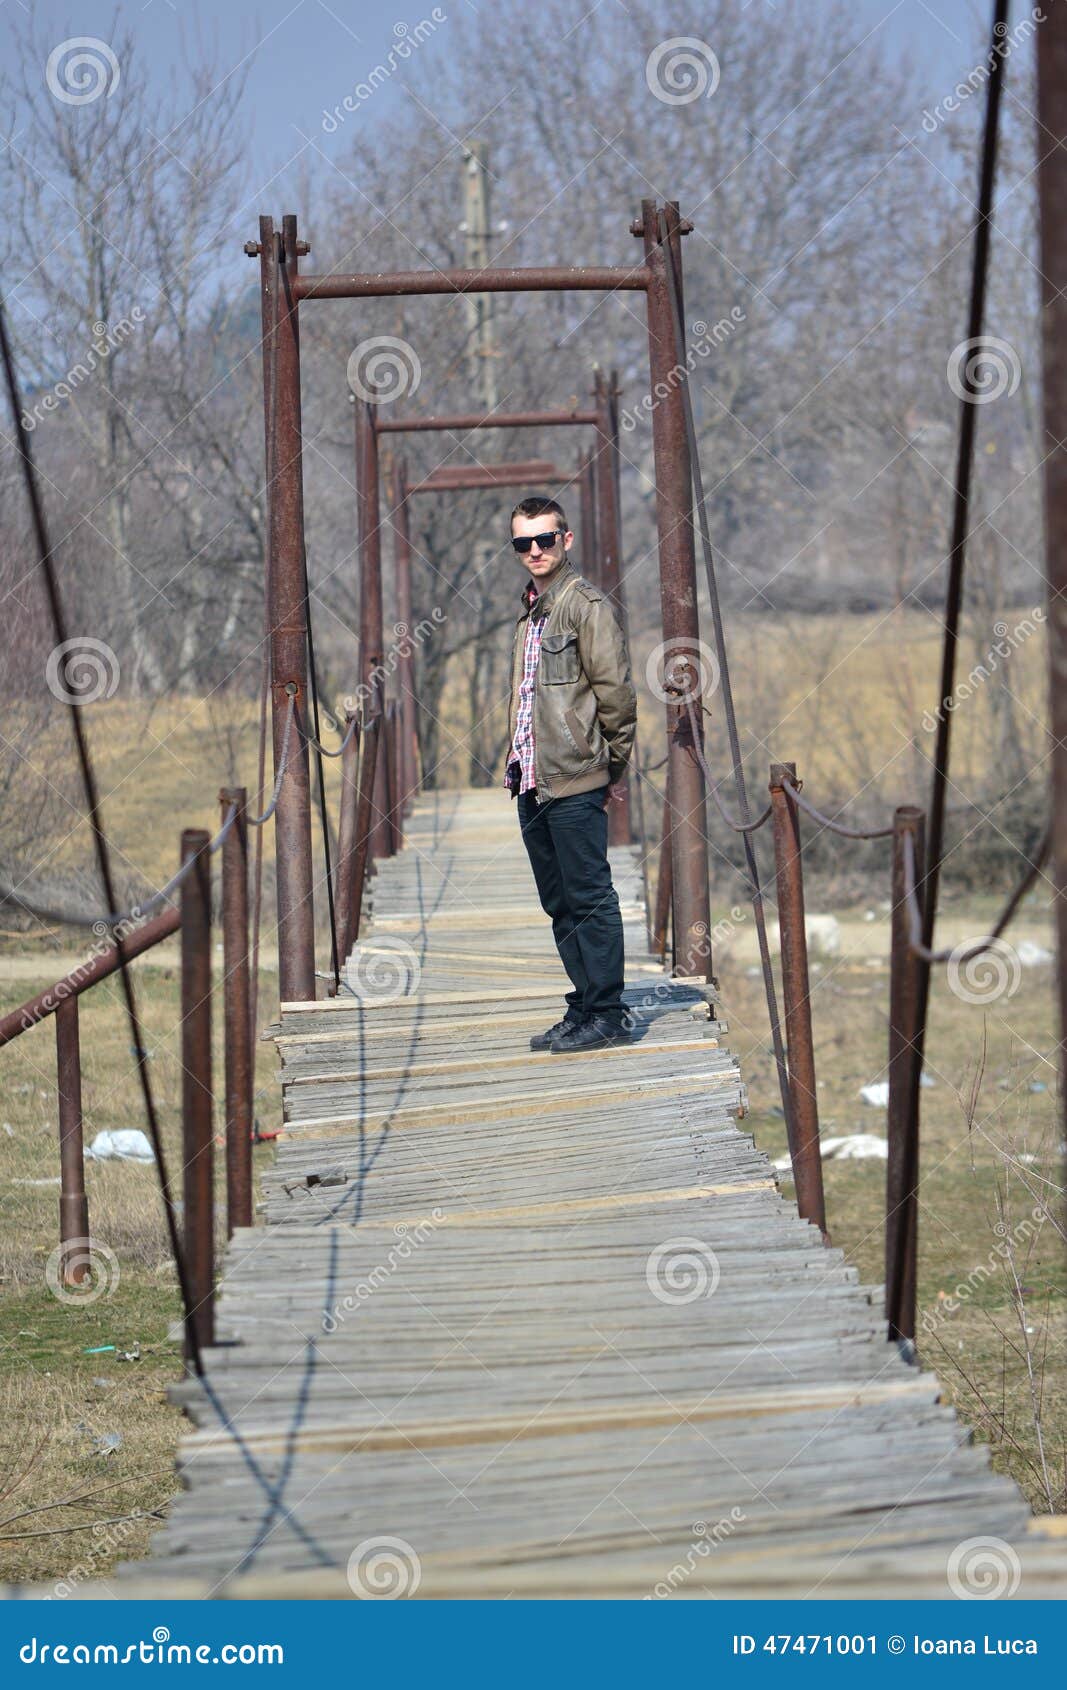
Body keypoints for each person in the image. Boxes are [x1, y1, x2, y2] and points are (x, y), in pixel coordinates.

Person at [503, 495, 638, 1053]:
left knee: (590, 896)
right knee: (559, 901)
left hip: (575, 776)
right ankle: (583, 1005)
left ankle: (608, 1013)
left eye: (545, 539)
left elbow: (617, 697)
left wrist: (608, 768)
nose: (535, 550)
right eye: (523, 542)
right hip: (532, 777)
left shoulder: (587, 606)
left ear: (566, 539)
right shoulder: (531, 611)